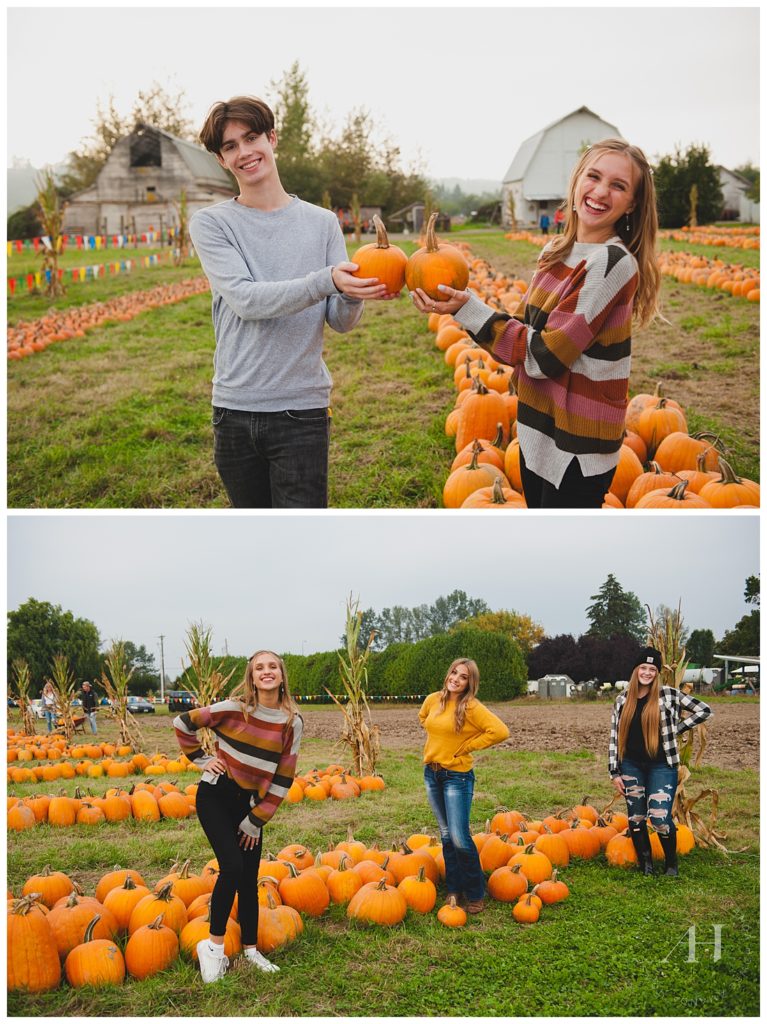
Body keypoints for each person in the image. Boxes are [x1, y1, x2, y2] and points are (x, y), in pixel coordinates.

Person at [413, 138, 662, 509]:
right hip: (535, 429)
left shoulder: (612, 263)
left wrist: (469, 309)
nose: (600, 191)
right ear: (577, 180)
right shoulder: (555, 251)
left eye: (618, 185)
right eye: (593, 176)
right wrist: (461, 308)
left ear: (633, 203)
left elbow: (545, 356)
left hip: (577, 446)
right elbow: (528, 333)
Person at [189, 96, 391, 509]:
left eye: (251, 138)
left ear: (272, 138)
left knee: (302, 538)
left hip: (302, 410)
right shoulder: (212, 224)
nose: (244, 152)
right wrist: (326, 280)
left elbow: (339, 319)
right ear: (222, 161)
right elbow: (246, 300)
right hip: (235, 408)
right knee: (254, 538)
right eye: (230, 147)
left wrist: (352, 294)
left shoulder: (322, 222)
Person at [173, 651, 302, 983]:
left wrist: (256, 819)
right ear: (252, 677)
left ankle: (249, 949)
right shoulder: (233, 709)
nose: (267, 671)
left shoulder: (291, 722)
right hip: (215, 796)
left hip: (250, 806)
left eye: (272, 666)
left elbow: (284, 778)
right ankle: (213, 948)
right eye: (260, 667)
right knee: (231, 866)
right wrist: (201, 760)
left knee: (248, 880)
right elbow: (182, 722)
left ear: (282, 675)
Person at [608, 647, 712, 876]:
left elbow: (704, 710)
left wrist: (677, 728)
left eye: (652, 669)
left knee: (659, 818)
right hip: (631, 765)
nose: (647, 673)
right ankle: (646, 866)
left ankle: (671, 864)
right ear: (636, 670)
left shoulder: (668, 695)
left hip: (662, 766)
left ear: (657, 672)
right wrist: (614, 772)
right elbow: (615, 737)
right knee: (635, 818)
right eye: (643, 668)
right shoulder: (622, 700)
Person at [419, 659, 510, 913]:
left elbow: (500, 731)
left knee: (459, 837)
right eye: (454, 672)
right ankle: (454, 888)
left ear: (470, 683)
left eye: (464, 677)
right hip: (432, 774)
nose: (456, 679)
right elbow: (423, 718)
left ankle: (475, 892)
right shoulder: (433, 700)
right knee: (446, 835)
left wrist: (467, 746)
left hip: (456, 777)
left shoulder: (470, 706)